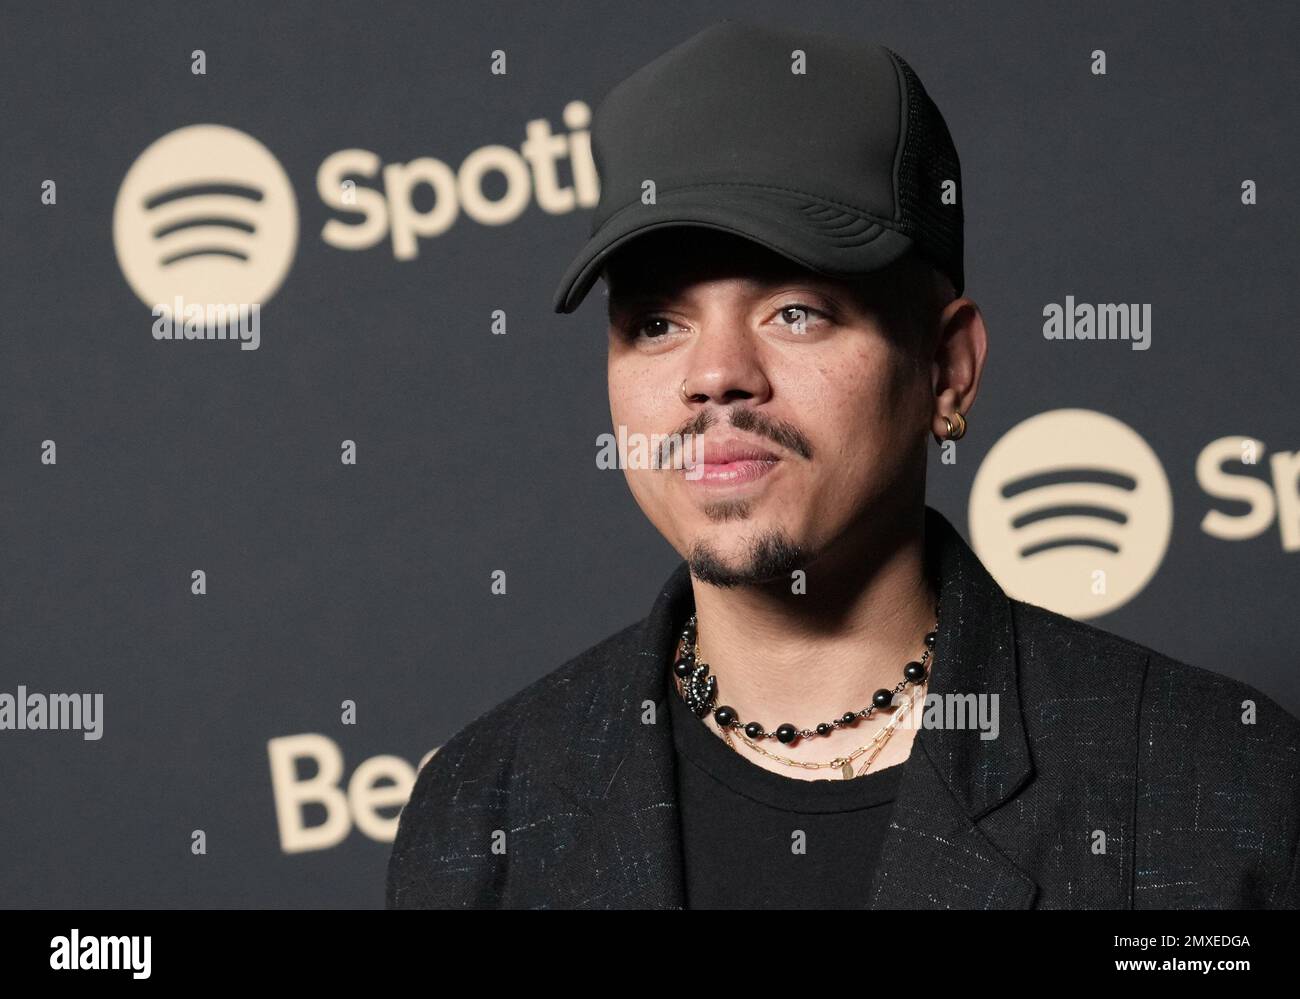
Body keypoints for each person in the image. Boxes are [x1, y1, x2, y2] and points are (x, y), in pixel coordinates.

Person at [386, 19, 1300, 909]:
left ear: (948, 372)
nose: (715, 377)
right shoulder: (482, 815)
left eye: (797, 310)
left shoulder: (1215, 793)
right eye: (657, 323)